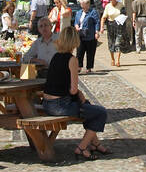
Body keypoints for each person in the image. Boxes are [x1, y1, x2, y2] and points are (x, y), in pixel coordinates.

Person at [44, 26, 109, 159]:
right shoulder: (72, 60)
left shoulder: (55, 56)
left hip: (47, 103)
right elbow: (73, 89)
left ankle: (95, 144)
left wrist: (78, 94)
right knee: (101, 113)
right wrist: (79, 93)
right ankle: (82, 147)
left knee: (88, 107)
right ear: (74, 42)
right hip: (60, 106)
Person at [73, 0, 100, 73]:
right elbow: (76, 21)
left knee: (90, 52)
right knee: (79, 51)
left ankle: (89, 67)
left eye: (83, 5)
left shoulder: (93, 12)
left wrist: (96, 32)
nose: (82, 6)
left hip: (90, 35)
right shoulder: (79, 12)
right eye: (81, 4)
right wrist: (76, 25)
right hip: (80, 34)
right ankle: (79, 66)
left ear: (88, 4)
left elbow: (96, 22)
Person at [102, 0, 126, 68]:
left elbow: (124, 14)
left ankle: (118, 60)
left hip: (119, 25)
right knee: (111, 43)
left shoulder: (121, 5)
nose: (110, 0)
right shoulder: (107, 6)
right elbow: (103, 17)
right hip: (110, 25)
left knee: (118, 43)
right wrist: (102, 27)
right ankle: (112, 59)